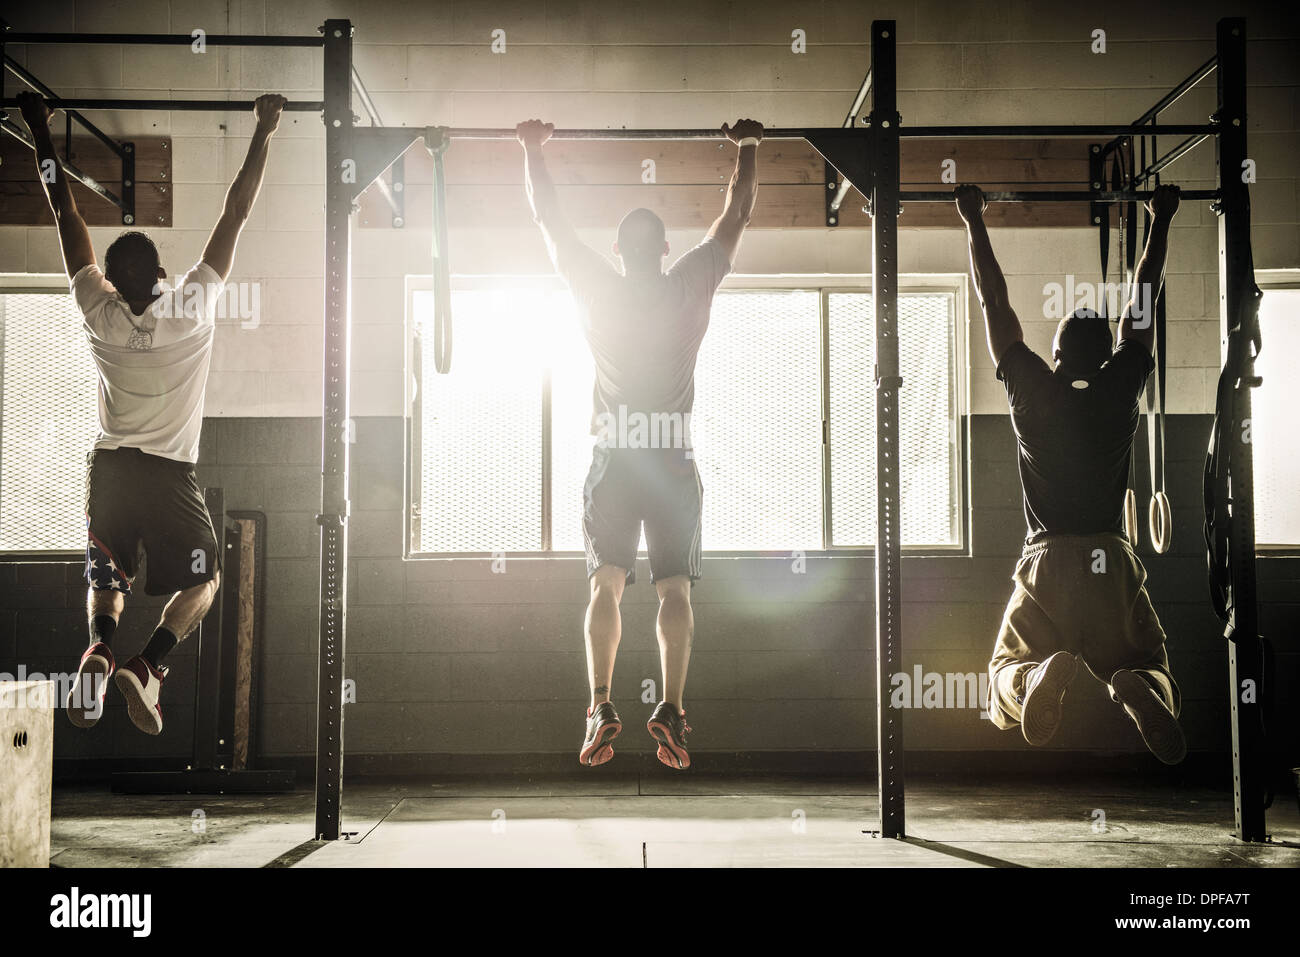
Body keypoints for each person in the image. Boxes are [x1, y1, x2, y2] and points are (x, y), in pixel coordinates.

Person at [16, 90, 286, 735]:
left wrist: (38, 131)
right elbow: (237, 211)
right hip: (169, 476)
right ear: (163, 274)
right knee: (204, 581)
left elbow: (64, 209)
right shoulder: (190, 307)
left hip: (109, 470)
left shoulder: (96, 311)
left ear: (109, 279)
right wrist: (265, 129)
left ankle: (100, 649)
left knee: (106, 571)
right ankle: (148, 667)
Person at [517, 117, 762, 769]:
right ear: (665, 248)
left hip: (614, 458)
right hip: (671, 459)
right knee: (674, 591)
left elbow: (549, 220)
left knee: (605, 585)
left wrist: (533, 149)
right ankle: (672, 710)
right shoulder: (690, 284)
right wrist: (748, 147)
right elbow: (737, 212)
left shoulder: (598, 286)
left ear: (619, 250)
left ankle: (601, 705)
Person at [955, 181, 1187, 765]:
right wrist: (1160, 219)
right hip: (1110, 558)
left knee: (1003, 669)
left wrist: (973, 221)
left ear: (1054, 359)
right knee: (1150, 662)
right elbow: (1143, 299)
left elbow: (994, 303)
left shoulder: (1033, 390)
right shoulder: (1120, 387)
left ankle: (1031, 683)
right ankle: (1141, 689)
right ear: (1106, 355)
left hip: (1047, 560)